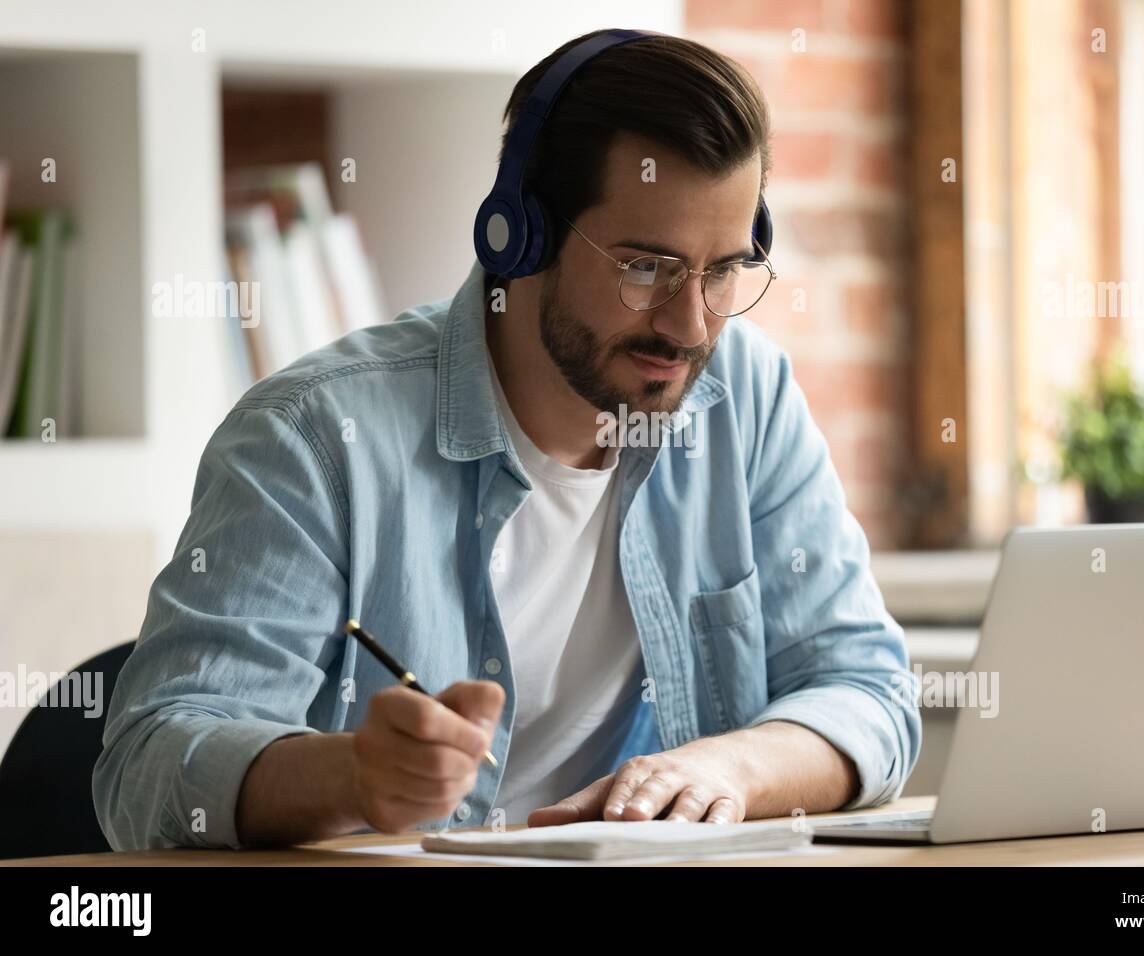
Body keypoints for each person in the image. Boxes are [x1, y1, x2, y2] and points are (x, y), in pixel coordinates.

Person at [93, 28, 921, 851]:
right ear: (518, 233)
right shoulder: (315, 439)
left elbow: (869, 692)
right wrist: (352, 777)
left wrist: (732, 768)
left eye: (723, 269)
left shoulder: (745, 398)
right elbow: (148, 767)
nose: (690, 323)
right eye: (646, 267)